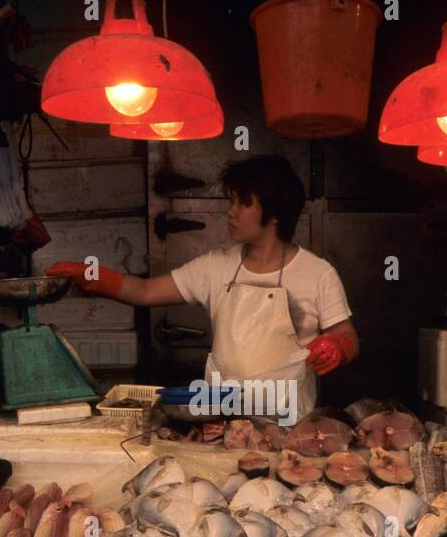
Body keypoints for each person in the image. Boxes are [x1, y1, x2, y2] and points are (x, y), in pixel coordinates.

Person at [46, 154, 358, 422]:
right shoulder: (216, 267)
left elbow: (347, 335)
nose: (231, 212)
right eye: (231, 201)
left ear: (274, 214)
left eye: (243, 203)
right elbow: (145, 291)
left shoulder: (317, 273)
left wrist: (338, 347)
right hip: (221, 421)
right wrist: (91, 274)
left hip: (290, 425)